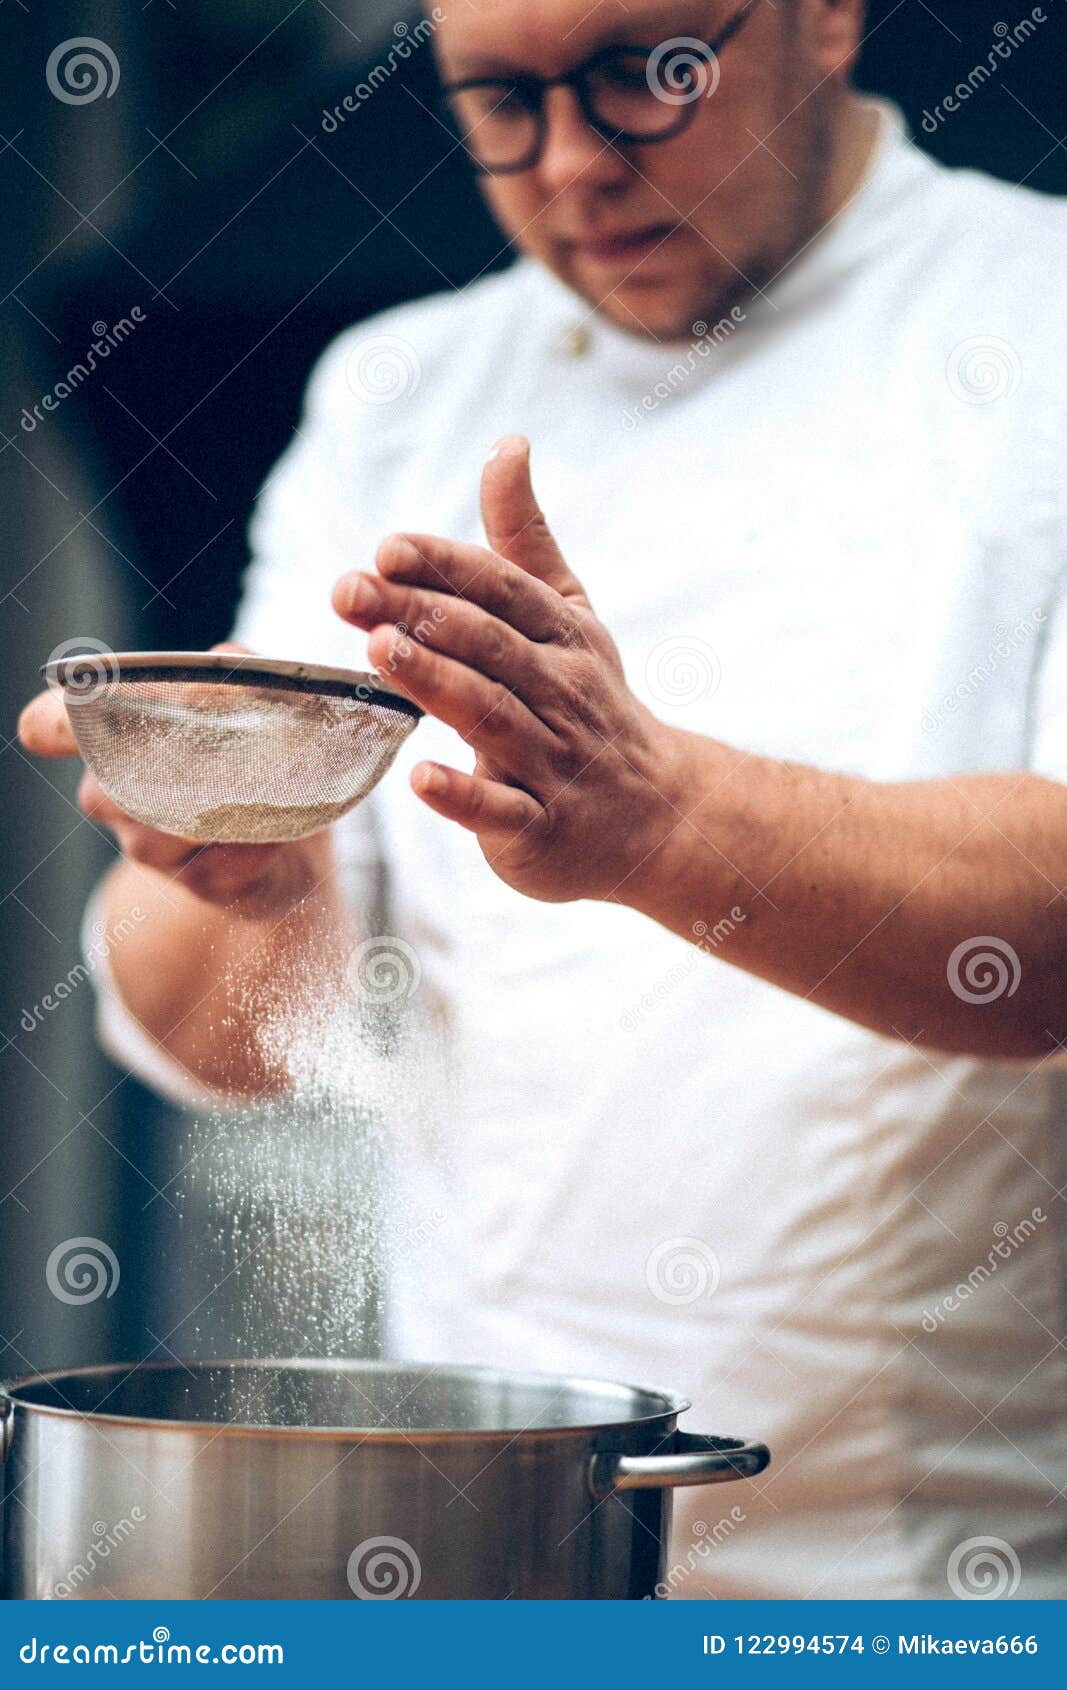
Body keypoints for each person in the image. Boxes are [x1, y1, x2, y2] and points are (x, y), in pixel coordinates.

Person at [20, 0, 1067, 1598]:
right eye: (500, 100)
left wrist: (658, 822)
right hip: (495, 1548)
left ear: (827, 17)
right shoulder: (396, 394)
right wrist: (239, 867)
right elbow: (238, 1040)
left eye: (648, 71)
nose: (574, 162)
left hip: (938, 1578)